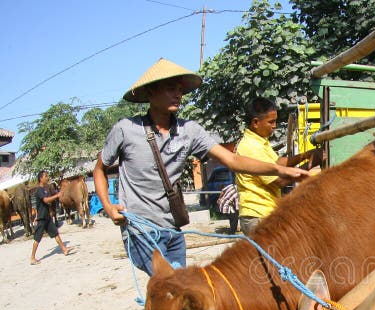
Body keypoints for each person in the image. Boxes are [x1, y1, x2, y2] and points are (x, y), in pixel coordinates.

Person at [92, 58, 311, 276]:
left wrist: (279, 169)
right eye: (170, 89)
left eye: (180, 90)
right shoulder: (126, 129)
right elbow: (99, 169)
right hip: (141, 230)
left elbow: (232, 160)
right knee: (172, 284)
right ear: (150, 93)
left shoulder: (189, 131)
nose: (178, 95)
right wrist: (108, 207)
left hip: (173, 228)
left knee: (175, 289)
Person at [235, 97, 318, 235]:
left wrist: (305, 155)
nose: (275, 126)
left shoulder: (260, 142)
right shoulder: (251, 147)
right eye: (271, 122)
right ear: (256, 122)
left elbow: (278, 163)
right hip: (258, 215)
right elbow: (279, 181)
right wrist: (311, 164)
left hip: (264, 213)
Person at [30, 171, 73, 264]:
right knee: (37, 238)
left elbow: (40, 204)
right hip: (42, 218)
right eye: (45, 176)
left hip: (47, 217)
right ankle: (32, 258)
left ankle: (64, 249)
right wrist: (57, 195)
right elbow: (45, 200)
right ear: (41, 178)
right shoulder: (39, 190)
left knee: (55, 233)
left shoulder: (44, 189)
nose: (47, 177)